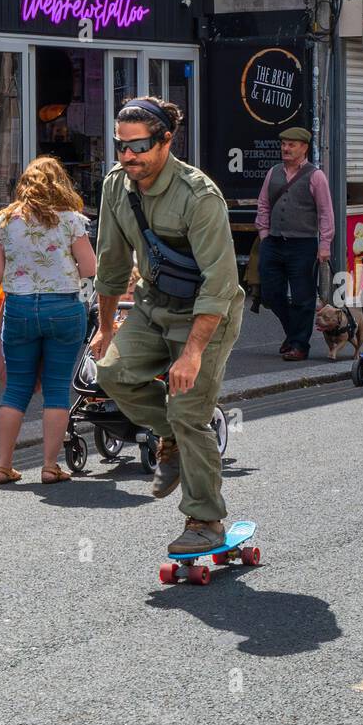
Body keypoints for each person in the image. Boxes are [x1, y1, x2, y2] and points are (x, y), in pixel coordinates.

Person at [90, 97, 244, 555]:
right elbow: (111, 265)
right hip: (152, 303)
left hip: (205, 314)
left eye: (138, 145)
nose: (128, 155)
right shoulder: (117, 186)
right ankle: (170, 438)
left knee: (188, 411)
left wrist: (193, 352)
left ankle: (206, 521)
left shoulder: (199, 196)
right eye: (121, 145)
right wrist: (105, 328)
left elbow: (220, 283)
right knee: (112, 375)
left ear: (166, 141)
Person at [0, 156, 97, 485]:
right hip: (64, 308)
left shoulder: (4, 221)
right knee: (56, 391)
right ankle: (50, 466)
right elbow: (90, 268)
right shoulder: (71, 221)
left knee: (16, 390)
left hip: (19, 310)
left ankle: (3, 466)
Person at [255, 126, 334, 361]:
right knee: (269, 293)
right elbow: (263, 204)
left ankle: (300, 345)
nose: (285, 148)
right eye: (284, 144)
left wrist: (325, 244)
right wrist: (264, 234)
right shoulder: (274, 172)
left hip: (303, 244)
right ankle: (293, 334)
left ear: (304, 148)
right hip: (274, 241)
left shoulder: (315, 176)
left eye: (291, 145)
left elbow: (325, 213)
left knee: (303, 297)